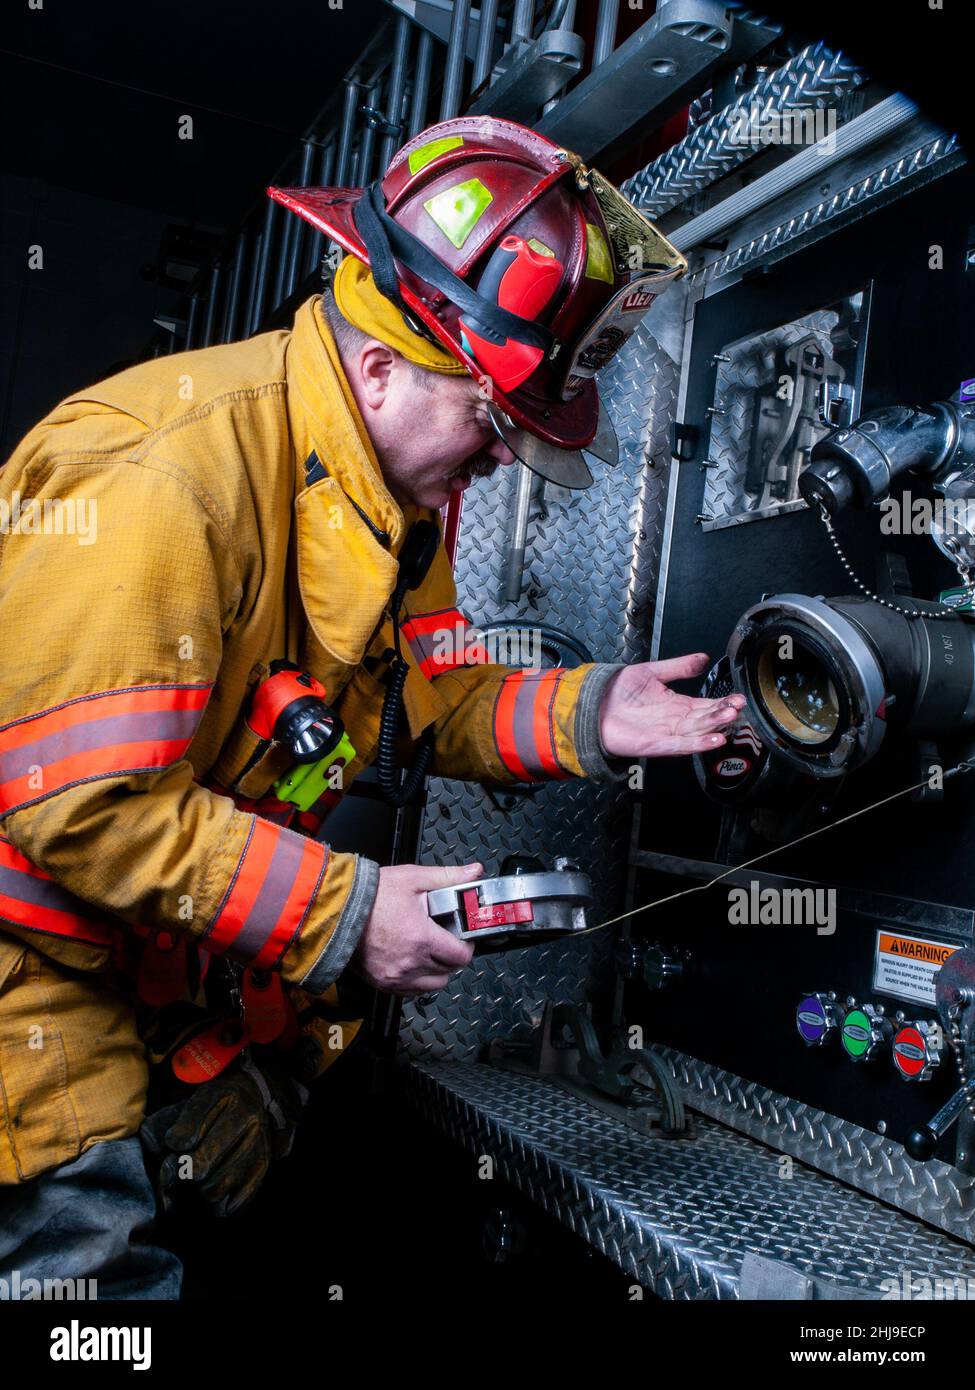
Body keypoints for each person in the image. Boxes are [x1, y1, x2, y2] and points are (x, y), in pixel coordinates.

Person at [0, 116, 744, 1297]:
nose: (501, 458)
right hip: (30, 975)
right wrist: (348, 912)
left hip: (155, 958)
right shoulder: (161, 477)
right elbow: (80, 807)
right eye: (492, 420)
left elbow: (433, 700)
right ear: (384, 364)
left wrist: (594, 715)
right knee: (88, 1289)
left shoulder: (388, 505)